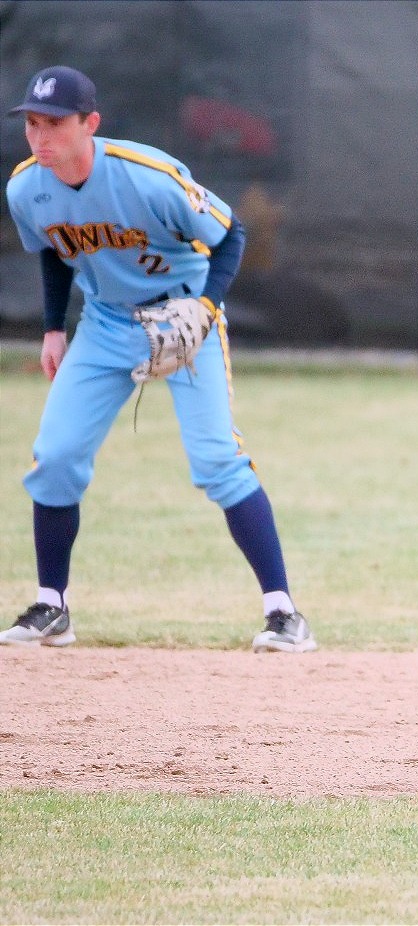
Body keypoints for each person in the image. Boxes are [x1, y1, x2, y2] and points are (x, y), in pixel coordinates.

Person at [2, 66, 315, 653]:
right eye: (33, 124)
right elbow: (52, 249)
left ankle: (284, 613)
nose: (41, 136)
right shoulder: (27, 188)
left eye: (56, 123)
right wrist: (51, 329)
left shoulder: (148, 177)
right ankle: (52, 605)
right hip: (104, 325)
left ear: (90, 123)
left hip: (184, 321)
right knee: (57, 455)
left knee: (218, 461)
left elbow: (230, 234)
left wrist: (203, 309)